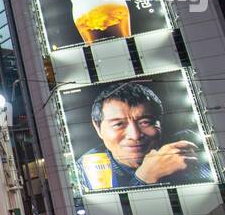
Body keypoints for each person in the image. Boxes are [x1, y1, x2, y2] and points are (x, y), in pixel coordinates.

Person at [76, 81, 213, 190]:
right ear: (98, 128)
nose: (135, 135)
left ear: (161, 122)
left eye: (145, 122)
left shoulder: (189, 144)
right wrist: (144, 178)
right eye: (118, 124)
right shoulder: (86, 168)